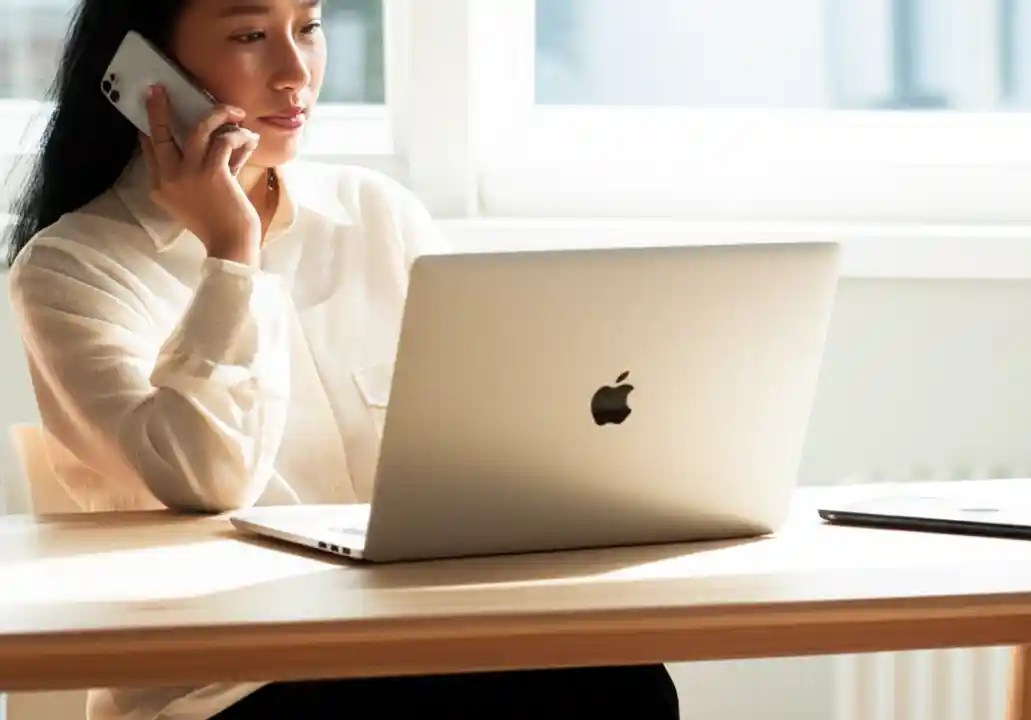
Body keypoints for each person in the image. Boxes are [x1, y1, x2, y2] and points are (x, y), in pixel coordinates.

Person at [4, 1, 680, 719]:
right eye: (250, 36)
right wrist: (233, 252)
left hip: (413, 649)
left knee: (622, 682)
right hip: (230, 687)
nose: (296, 72)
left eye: (309, 27)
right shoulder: (70, 271)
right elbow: (207, 477)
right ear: (148, 74)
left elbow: (485, 451)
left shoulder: (379, 216)